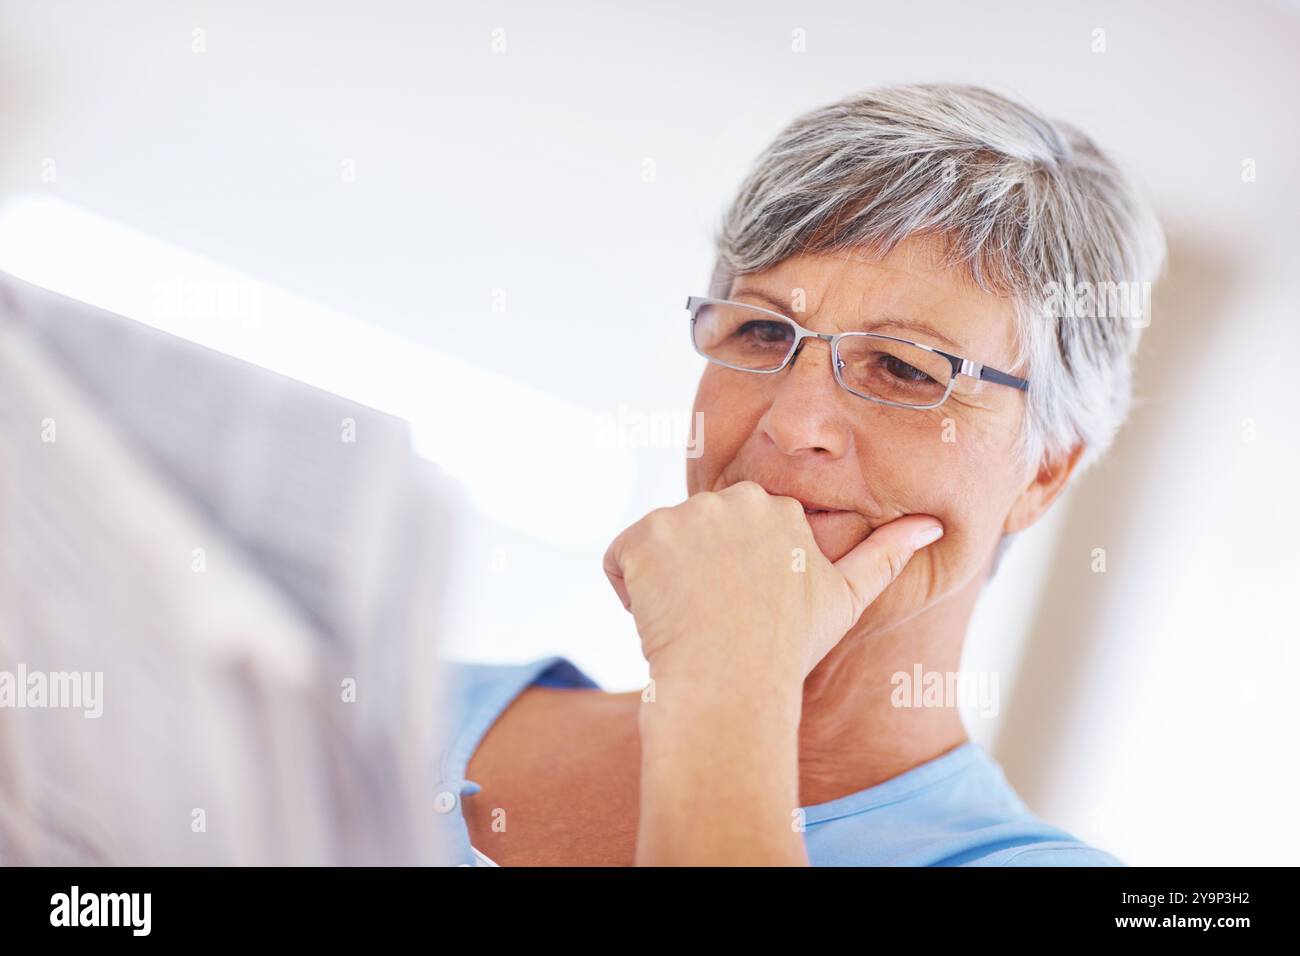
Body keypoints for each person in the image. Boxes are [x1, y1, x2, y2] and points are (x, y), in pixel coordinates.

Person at [433, 83, 1165, 866]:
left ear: (1044, 472)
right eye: (760, 329)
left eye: (904, 368)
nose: (793, 422)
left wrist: (729, 681)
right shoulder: (407, 704)